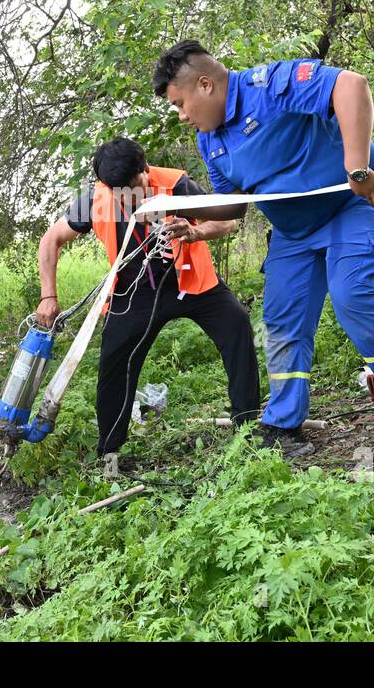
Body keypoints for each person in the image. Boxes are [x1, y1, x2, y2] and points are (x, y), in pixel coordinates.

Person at [151, 40, 374, 457]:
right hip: (294, 234)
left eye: (180, 104)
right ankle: (283, 426)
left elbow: (351, 86)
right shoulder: (211, 141)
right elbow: (235, 205)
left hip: (353, 206)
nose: (182, 116)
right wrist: (179, 208)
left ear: (205, 85)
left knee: (353, 296)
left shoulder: (270, 86)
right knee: (281, 322)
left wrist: (357, 168)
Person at [36, 137, 261, 458]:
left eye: (136, 184)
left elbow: (227, 221)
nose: (131, 196)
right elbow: (51, 240)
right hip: (134, 294)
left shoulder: (175, 185)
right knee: (114, 366)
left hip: (191, 282)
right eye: (120, 191)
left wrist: (194, 231)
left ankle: (247, 431)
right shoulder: (96, 199)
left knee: (238, 325)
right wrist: (48, 296)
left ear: (146, 168)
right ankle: (110, 454)